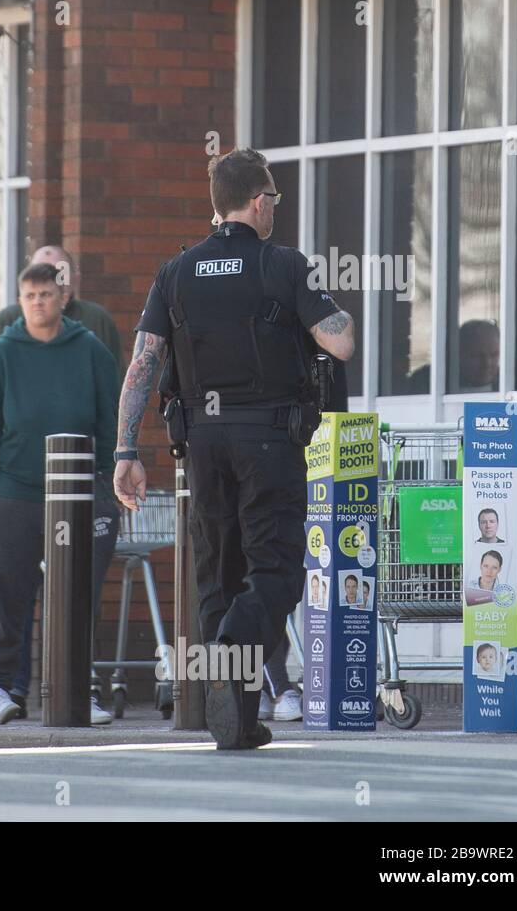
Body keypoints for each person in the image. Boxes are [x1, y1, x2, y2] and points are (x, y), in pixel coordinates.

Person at [114, 147, 356, 750]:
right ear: (258, 201)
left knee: (219, 576)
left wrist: (125, 451)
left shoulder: (175, 271)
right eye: (273, 197)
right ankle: (227, 657)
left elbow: (143, 364)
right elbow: (341, 343)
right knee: (274, 569)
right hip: (268, 440)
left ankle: (238, 724)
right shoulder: (284, 264)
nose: (275, 207)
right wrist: (333, 313)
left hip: (201, 445)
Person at [0, 262, 121, 725]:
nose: (38, 302)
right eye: (30, 295)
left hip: (79, 497)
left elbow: (110, 422)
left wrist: (109, 487)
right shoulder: (1, 355)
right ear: (20, 300)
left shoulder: (90, 350)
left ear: (63, 296)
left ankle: (78, 690)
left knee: (78, 598)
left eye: (46, 294)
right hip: (12, 494)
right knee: (7, 597)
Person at [0, 246, 123, 367]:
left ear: (75, 277)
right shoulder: (6, 320)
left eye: (59, 275)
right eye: (38, 275)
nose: (49, 282)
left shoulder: (96, 319)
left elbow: (116, 380)